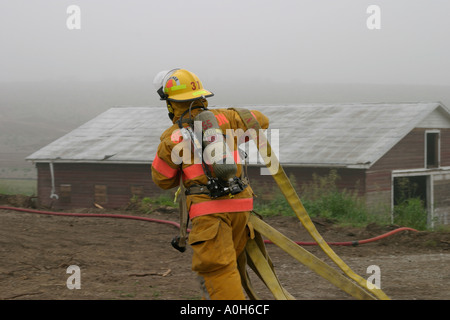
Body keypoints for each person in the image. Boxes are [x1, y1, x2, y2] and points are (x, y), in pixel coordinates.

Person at [151, 68, 269, 300]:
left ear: (171, 104)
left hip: (210, 215)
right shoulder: (228, 119)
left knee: (218, 271)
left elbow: (162, 180)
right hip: (241, 208)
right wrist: (229, 118)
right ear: (202, 96)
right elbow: (261, 121)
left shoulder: (173, 137)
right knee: (230, 264)